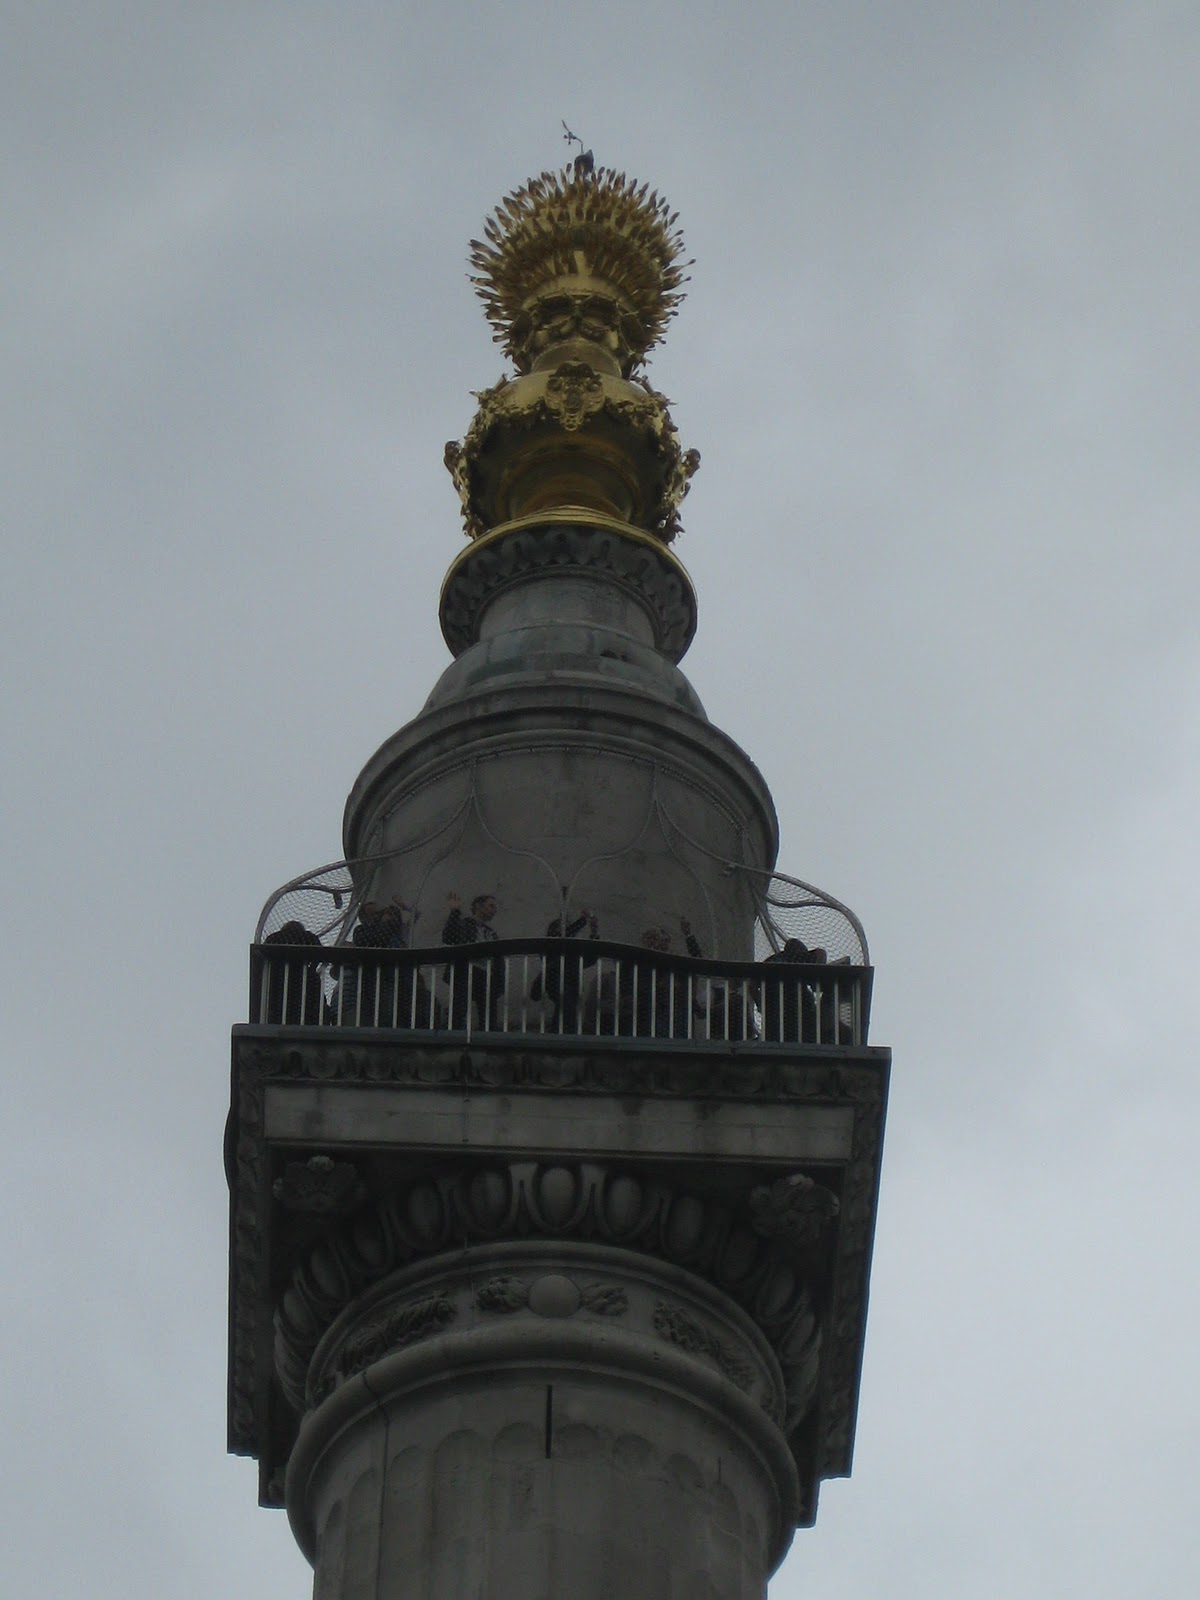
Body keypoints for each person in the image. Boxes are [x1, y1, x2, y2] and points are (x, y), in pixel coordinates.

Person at [442, 891, 505, 1031]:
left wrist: (499, 980)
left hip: (486, 974)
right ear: (478, 906)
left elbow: (498, 958)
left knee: (488, 1010)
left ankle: (488, 1035)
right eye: (491, 906)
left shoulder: (491, 932)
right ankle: (455, 1033)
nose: (494, 910)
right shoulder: (465, 925)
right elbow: (448, 937)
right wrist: (454, 912)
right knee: (460, 1006)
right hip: (467, 970)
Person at [536, 908, 600, 1033]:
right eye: (563, 927)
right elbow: (564, 935)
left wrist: (594, 932)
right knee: (566, 1007)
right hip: (555, 981)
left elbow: (591, 958)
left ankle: (560, 1033)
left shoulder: (572, 952)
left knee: (567, 1010)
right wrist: (583, 920)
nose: (567, 931)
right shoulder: (550, 944)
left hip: (572, 984)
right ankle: (561, 1033)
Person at [261, 921, 325, 1024]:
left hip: (279, 981)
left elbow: (264, 957)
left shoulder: (274, 938)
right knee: (306, 1005)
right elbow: (320, 954)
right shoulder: (308, 937)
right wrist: (311, 969)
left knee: (280, 1007)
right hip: (303, 980)